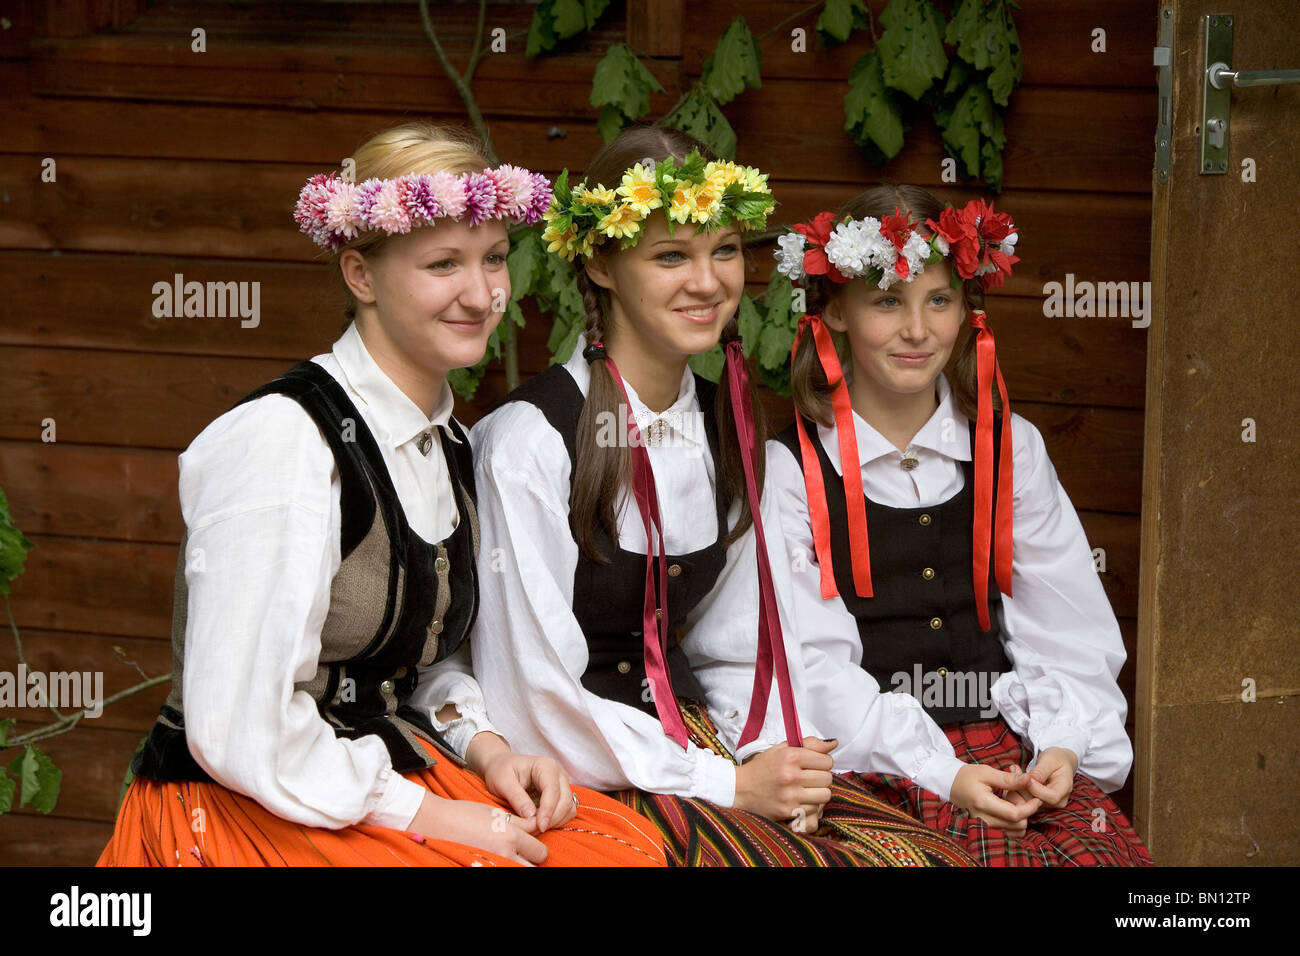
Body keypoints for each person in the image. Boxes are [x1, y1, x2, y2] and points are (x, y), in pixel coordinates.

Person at [97, 122, 666, 867]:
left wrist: (490, 751)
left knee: (625, 850)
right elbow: (239, 724)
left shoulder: (450, 443)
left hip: (377, 775)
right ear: (360, 274)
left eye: (494, 259)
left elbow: (419, 663)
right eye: (442, 264)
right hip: (247, 800)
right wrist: (431, 815)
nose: (482, 293)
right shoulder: (284, 442)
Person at [468, 128, 975, 867]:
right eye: (672, 255)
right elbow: (533, 699)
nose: (709, 283)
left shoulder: (730, 427)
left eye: (726, 250)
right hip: (578, 769)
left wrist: (770, 759)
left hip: (697, 747)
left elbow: (739, 649)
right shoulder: (530, 444)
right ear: (602, 264)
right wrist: (725, 784)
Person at [767, 183, 1153, 865]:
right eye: (888, 301)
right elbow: (812, 669)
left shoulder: (1010, 449)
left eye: (938, 301)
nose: (918, 331)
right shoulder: (790, 470)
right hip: (870, 764)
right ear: (834, 315)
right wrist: (940, 773)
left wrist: (1062, 745)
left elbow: (1066, 628)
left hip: (1006, 753)